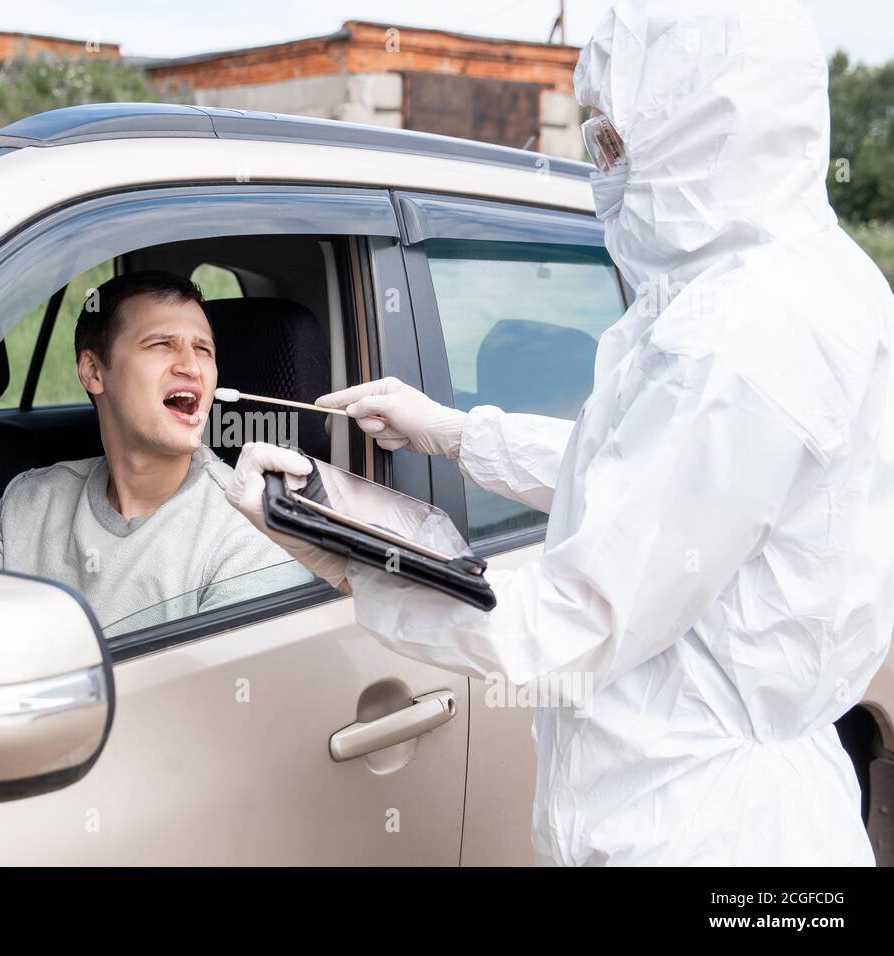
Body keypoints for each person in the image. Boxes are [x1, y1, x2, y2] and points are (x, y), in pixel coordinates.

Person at [226, 0, 894, 865]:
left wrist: (363, 562)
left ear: (702, 122)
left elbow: (569, 622)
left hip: (702, 835)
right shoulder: (803, 279)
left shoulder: (739, 335)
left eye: (615, 142)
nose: (600, 169)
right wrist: (456, 433)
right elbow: (648, 483)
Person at [0, 270, 305, 630]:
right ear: (94, 373)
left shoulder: (245, 531)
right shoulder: (36, 501)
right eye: (161, 345)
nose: (192, 367)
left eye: (203, 350)